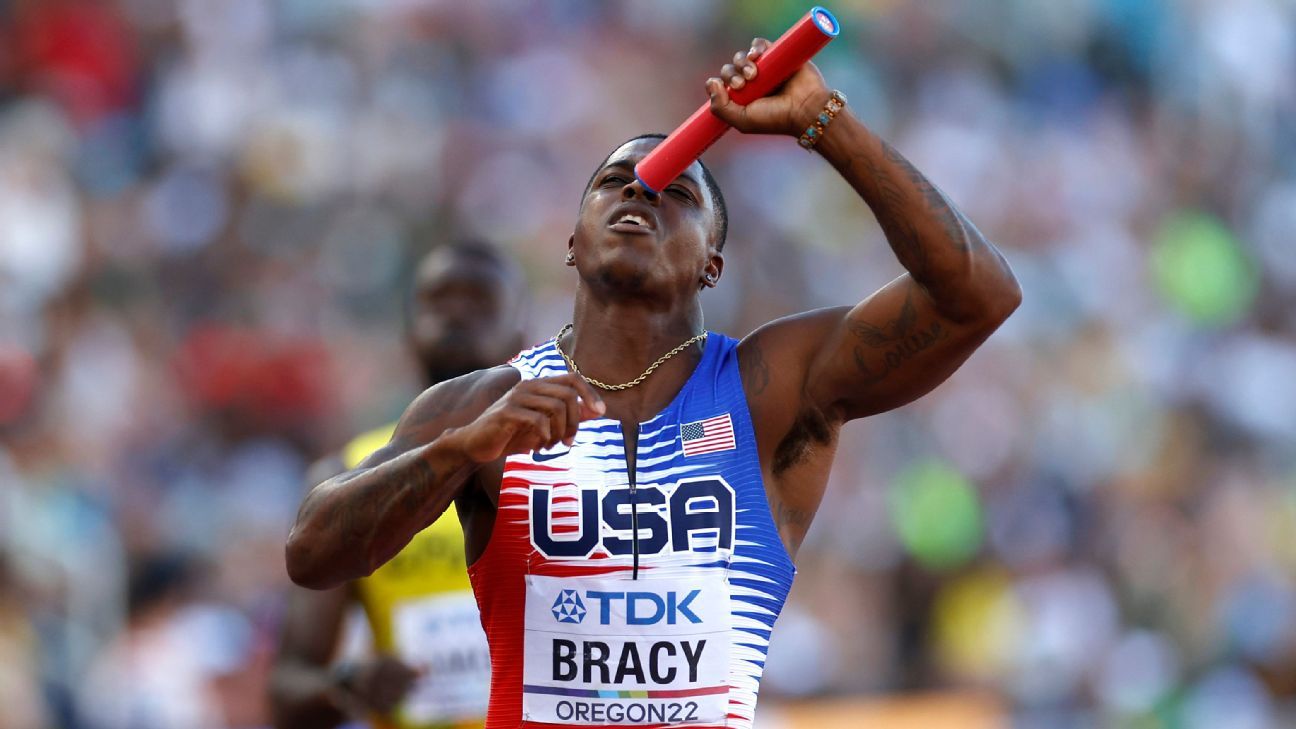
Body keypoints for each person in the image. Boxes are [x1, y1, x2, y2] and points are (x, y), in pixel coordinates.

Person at [286, 39, 1021, 729]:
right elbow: (312, 555)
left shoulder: (773, 387)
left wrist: (823, 124)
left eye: (680, 191)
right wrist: (456, 451)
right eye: (616, 182)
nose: (644, 189)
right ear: (573, 242)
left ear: (712, 262)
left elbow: (979, 295)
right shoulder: (486, 404)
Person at [271, 242, 527, 729]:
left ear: (522, 331)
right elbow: (288, 686)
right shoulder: (350, 479)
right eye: (438, 298)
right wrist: (348, 683)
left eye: (480, 299)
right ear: (408, 333)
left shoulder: (566, 465)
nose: (456, 312)